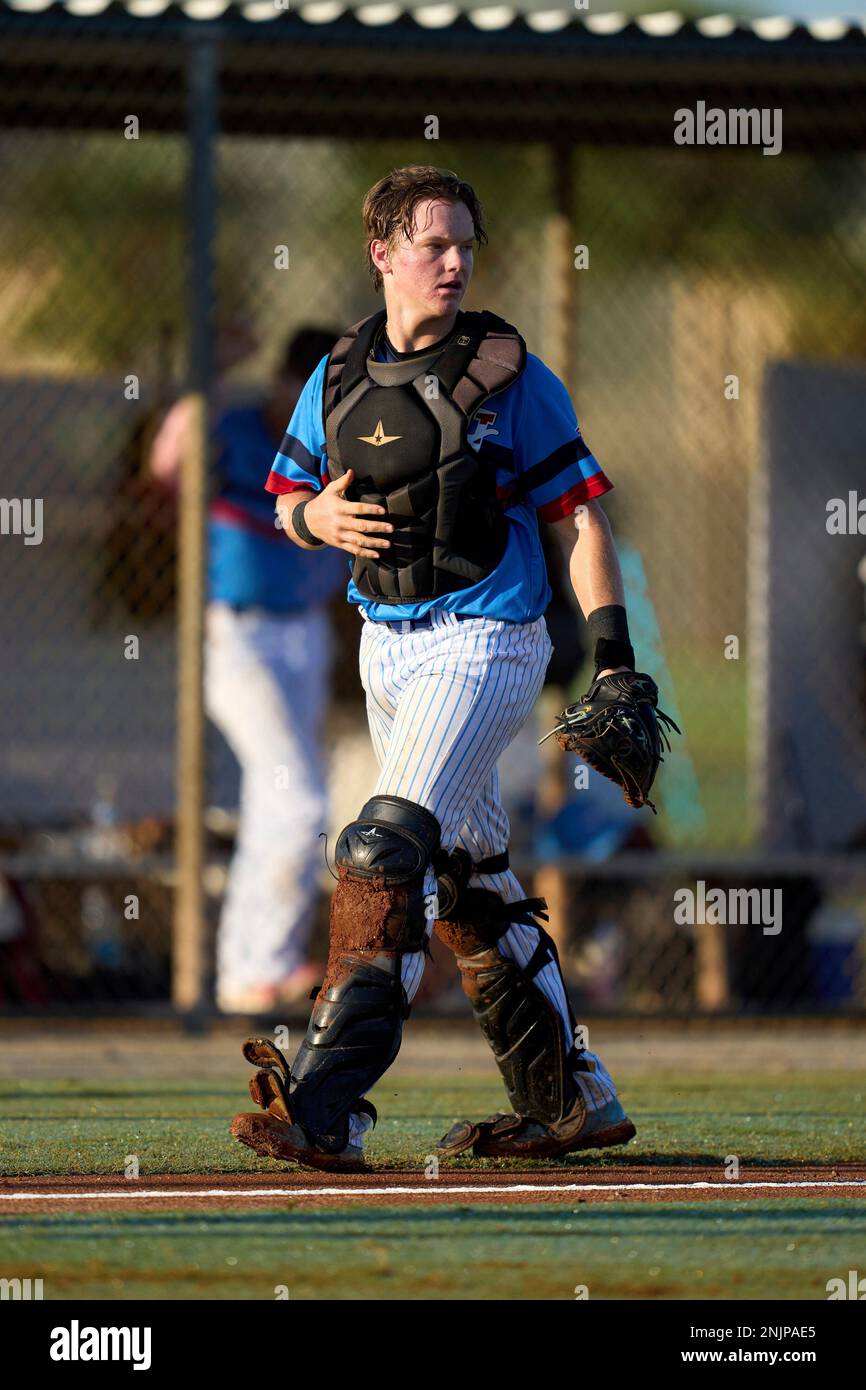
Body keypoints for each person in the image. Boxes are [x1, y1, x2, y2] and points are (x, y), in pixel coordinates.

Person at [230, 165, 642, 1170]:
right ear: (381, 253)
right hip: (387, 648)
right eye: (432, 245)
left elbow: (578, 514)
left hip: (489, 638)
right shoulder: (336, 374)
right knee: (469, 882)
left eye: (464, 244)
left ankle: (326, 1101)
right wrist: (310, 518)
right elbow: (287, 498)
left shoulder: (508, 373)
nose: (453, 262)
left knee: (383, 846)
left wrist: (615, 660)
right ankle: (573, 1098)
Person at [149, 326, 345, 1013]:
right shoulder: (232, 423)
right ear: (281, 381)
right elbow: (167, 467)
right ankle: (254, 964)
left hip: (307, 635)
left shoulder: (341, 443)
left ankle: (252, 969)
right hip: (239, 636)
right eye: (302, 385)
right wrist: (207, 378)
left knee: (279, 799)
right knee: (297, 799)